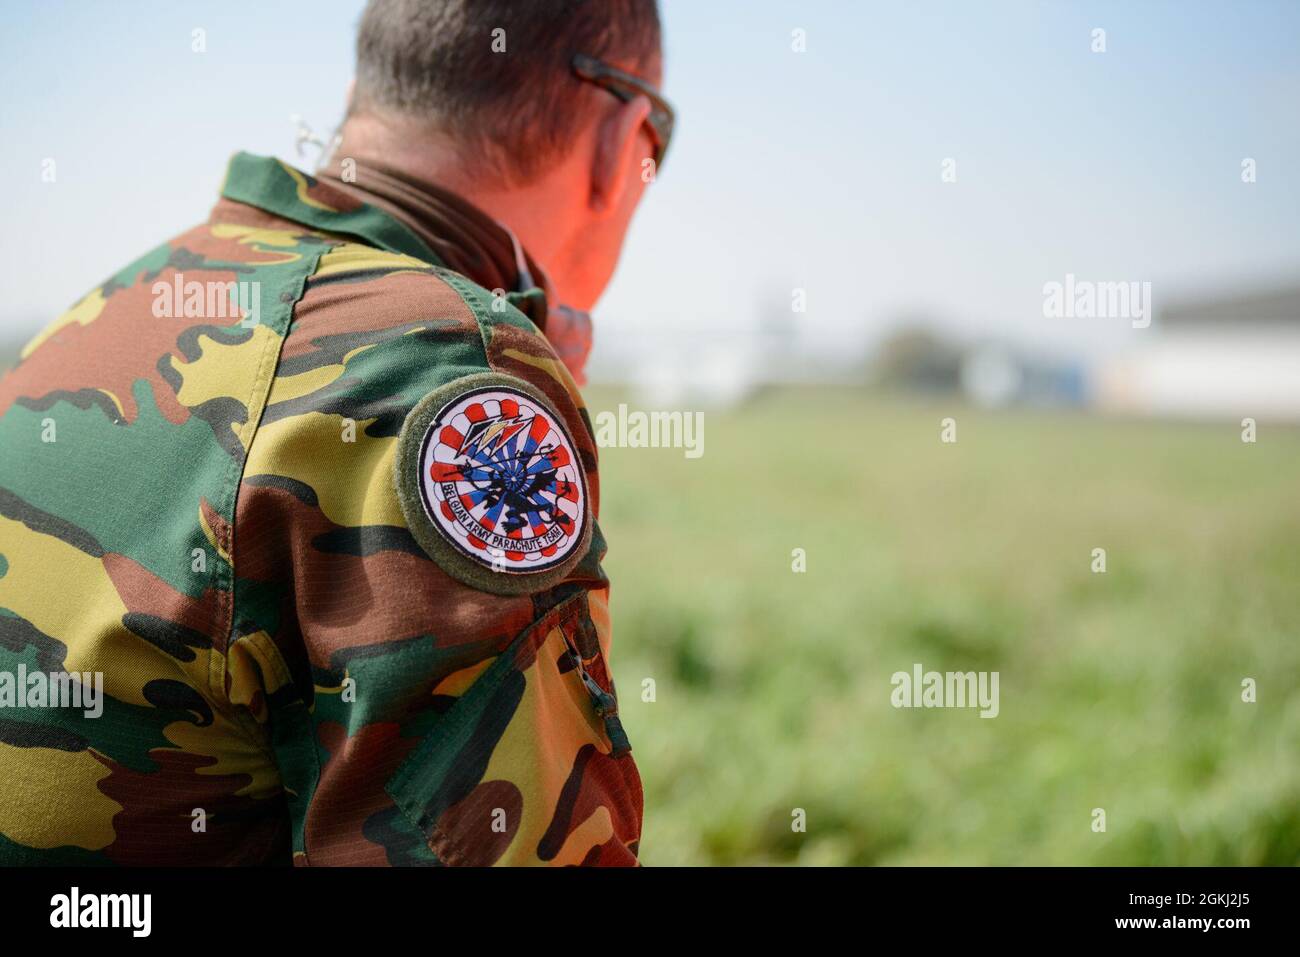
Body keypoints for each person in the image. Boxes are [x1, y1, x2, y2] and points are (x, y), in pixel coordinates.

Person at [0, 0, 670, 866]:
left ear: (362, 91)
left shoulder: (103, 311)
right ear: (622, 146)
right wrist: (495, 359)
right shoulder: (443, 368)